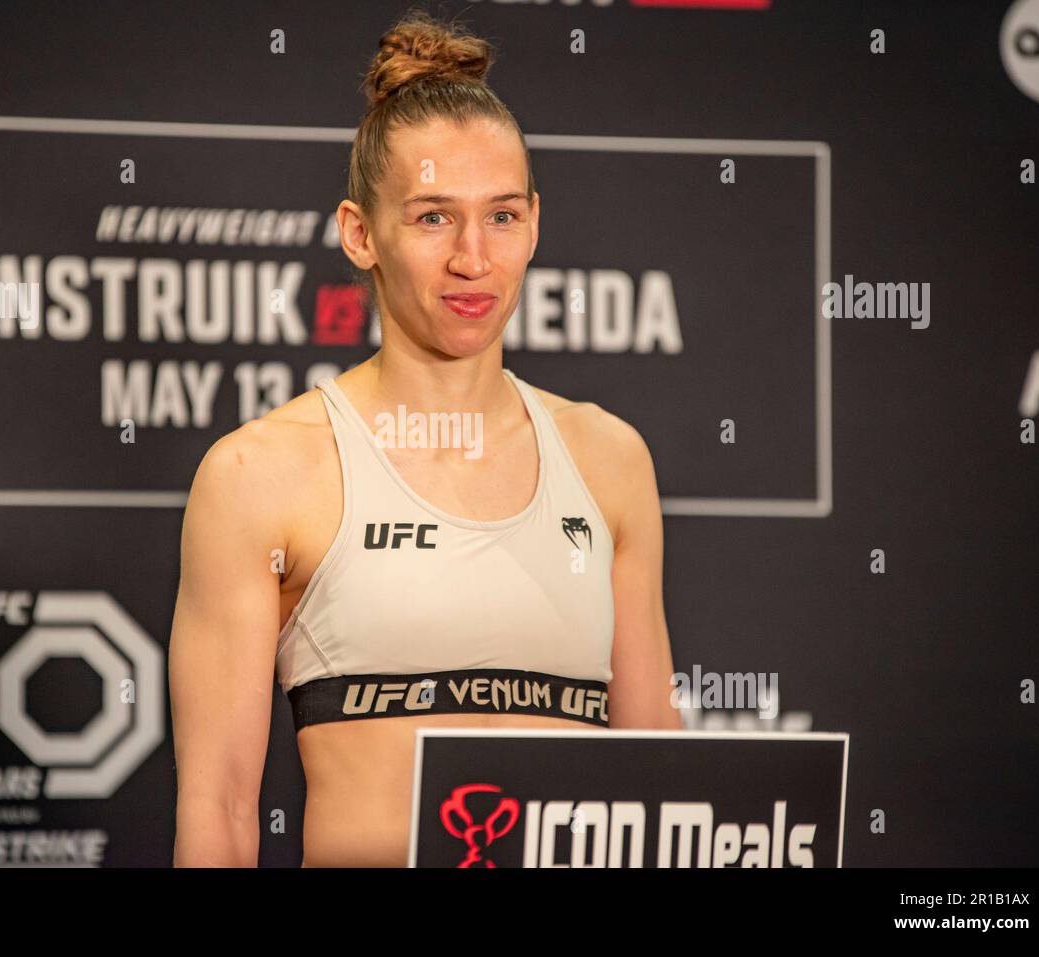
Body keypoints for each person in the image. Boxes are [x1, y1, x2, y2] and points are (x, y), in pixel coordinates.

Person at [170, 8, 681, 868]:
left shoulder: (610, 460)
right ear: (360, 233)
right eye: (435, 218)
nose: (474, 260)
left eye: (503, 217)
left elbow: (661, 793)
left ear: (536, 224)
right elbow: (218, 813)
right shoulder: (261, 474)